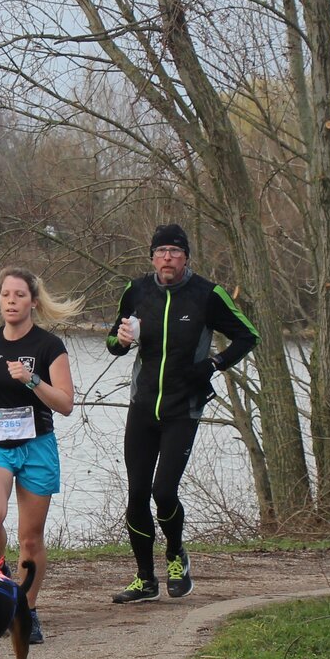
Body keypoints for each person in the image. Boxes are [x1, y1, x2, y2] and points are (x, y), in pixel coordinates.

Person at [103, 224, 258, 603]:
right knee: (137, 494)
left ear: (186, 256)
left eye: (174, 251)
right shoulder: (136, 290)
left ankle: (176, 555)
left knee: (163, 491)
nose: (167, 258)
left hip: (182, 408)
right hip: (143, 406)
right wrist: (120, 340)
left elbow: (248, 335)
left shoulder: (207, 294)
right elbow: (113, 342)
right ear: (152, 257)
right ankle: (144, 580)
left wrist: (214, 363)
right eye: (161, 251)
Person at [0, 268, 79, 645]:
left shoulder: (48, 347)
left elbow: (67, 404)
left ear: (33, 303)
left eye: (19, 295)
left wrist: (32, 379)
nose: (11, 301)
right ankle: (0, 571)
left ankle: (27, 609)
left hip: (37, 445)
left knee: (30, 538)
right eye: (5, 294)